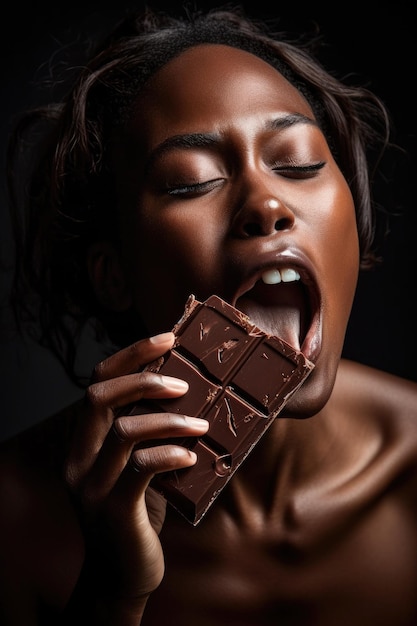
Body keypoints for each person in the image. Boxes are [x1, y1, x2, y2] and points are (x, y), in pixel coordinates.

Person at [1, 5, 416, 625]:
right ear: (113, 274)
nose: (266, 203)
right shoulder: (15, 519)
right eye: (191, 181)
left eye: (298, 162)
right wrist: (112, 595)